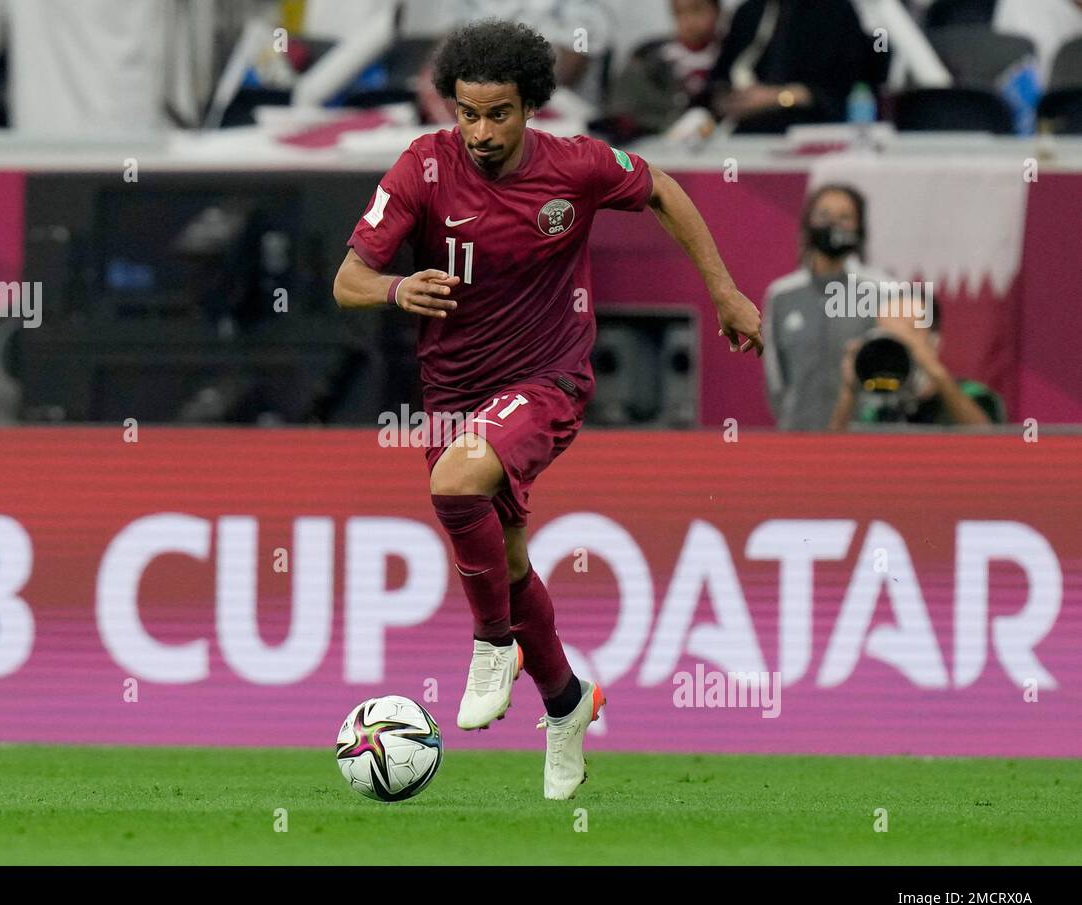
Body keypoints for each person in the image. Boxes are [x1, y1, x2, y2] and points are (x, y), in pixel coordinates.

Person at [333, 18, 763, 800]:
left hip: (546, 377)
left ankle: (493, 645)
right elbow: (348, 278)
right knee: (512, 560)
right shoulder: (421, 169)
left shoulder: (577, 166)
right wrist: (398, 288)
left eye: (498, 113)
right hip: (453, 390)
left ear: (531, 105)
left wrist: (725, 291)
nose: (481, 131)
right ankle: (567, 705)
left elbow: (662, 187)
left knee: (457, 485)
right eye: (467, 112)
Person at [762, 184, 892, 430]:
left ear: (859, 227)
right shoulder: (781, 296)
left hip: (864, 442)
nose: (834, 224)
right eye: (824, 215)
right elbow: (776, 381)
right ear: (808, 223)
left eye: (845, 217)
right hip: (798, 440)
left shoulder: (883, 292)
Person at [830, 293, 1005, 428]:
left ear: (934, 340)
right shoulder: (879, 408)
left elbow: (987, 438)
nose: (897, 345)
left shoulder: (975, 395)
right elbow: (834, 457)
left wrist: (933, 370)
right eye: (887, 334)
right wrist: (850, 390)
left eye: (908, 331)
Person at [707, 0, 885, 133]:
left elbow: (846, 86)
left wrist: (780, 97)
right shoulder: (749, 12)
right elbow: (720, 79)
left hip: (814, 132)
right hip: (743, 136)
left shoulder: (835, 11)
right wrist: (728, 100)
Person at [602, 0, 723, 141]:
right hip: (654, 142)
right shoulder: (648, 57)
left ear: (717, 12)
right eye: (679, 13)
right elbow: (622, 111)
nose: (688, 20)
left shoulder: (733, 57)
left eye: (697, 10)